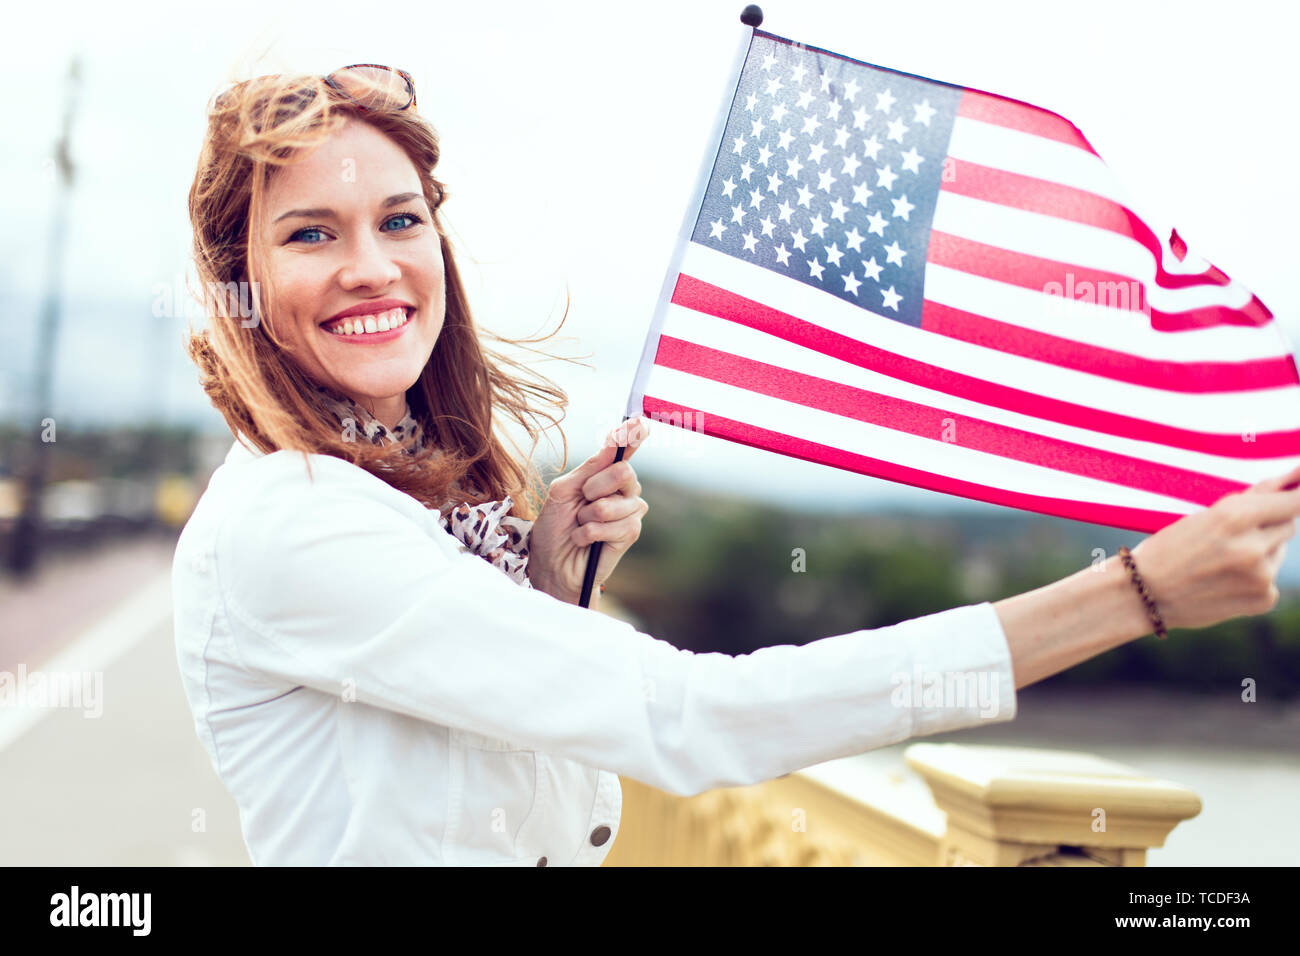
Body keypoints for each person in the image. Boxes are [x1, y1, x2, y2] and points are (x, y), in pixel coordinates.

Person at [172, 64, 1300, 867]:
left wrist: (539, 583)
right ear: (243, 285)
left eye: (400, 220)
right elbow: (691, 716)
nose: (372, 267)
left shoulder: (393, 500)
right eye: (310, 233)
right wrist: (1132, 594)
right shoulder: (294, 521)